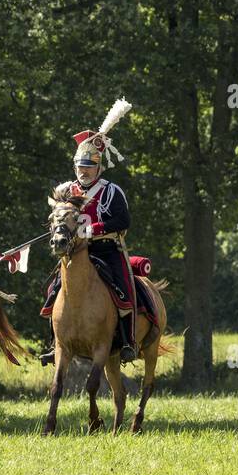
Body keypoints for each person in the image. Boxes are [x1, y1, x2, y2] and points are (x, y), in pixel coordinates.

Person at [40, 99, 142, 364]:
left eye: (88, 167)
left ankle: (128, 341)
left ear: (98, 167)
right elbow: (56, 217)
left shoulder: (111, 191)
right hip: (74, 253)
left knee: (125, 288)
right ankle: (55, 343)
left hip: (107, 250)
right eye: (79, 167)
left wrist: (92, 229)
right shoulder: (65, 191)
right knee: (52, 290)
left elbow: (122, 220)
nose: (83, 172)